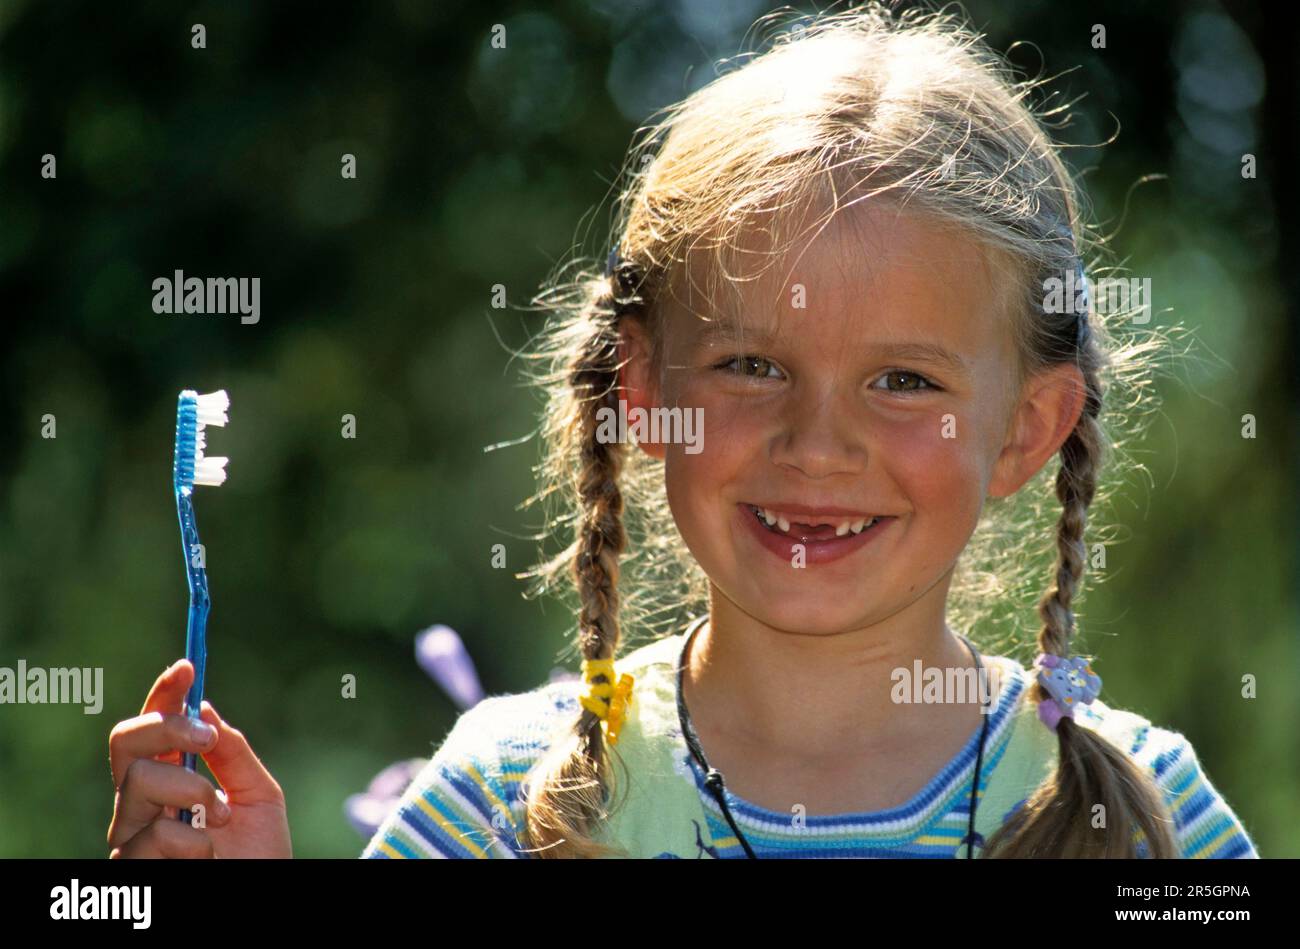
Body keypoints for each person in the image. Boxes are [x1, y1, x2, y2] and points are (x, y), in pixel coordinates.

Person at [106, 2, 1259, 859]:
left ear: (1025, 431)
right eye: (751, 365)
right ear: (642, 388)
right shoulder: (500, 801)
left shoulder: (1149, 819)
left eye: (902, 380)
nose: (817, 444)